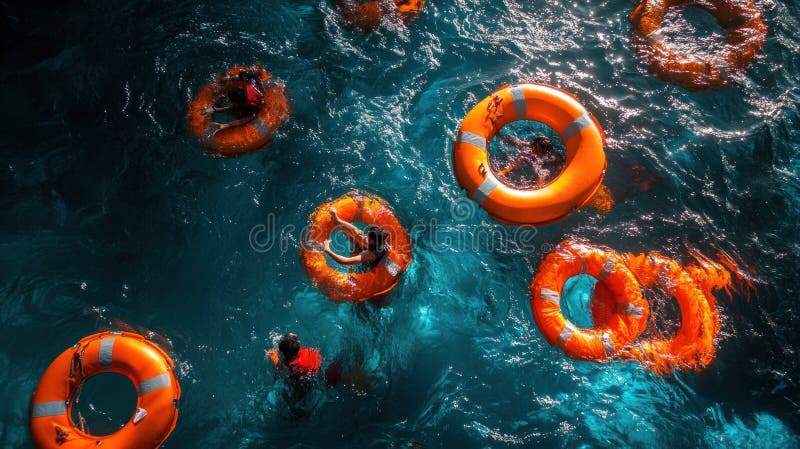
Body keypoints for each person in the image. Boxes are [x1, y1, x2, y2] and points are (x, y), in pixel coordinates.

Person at [200, 65, 269, 136]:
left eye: (231, 101)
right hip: (252, 86)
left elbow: (243, 119)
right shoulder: (247, 86)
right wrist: (214, 109)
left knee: (239, 114)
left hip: (258, 106)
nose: (229, 102)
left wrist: (226, 125)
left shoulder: (251, 108)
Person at [323, 209, 388, 267]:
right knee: (358, 233)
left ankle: (347, 236)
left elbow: (344, 261)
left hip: (368, 262)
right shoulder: (381, 238)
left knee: (353, 247)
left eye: (369, 236)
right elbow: (355, 230)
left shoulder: (368, 254)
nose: (366, 234)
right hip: (374, 248)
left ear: (373, 241)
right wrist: (337, 220)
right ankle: (337, 220)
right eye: (368, 233)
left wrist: (328, 249)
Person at [496, 133, 564, 188]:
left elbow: (540, 183)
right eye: (533, 147)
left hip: (556, 165)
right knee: (521, 147)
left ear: (543, 152)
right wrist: (506, 171)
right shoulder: (531, 149)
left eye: (536, 150)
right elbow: (521, 157)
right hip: (541, 152)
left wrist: (531, 189)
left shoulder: (546, 162)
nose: (532, 150)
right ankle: (499, 133)